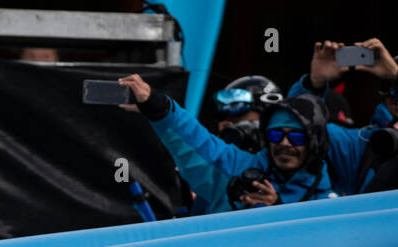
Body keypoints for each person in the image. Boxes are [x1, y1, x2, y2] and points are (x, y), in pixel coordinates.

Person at [120, 74, 334, 211]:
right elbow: (198, 144)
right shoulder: (236, 168)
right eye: (276, 135)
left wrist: (277, 212)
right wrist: (158, 108)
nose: (285, 143)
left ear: (314, 142)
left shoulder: (331, 197)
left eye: (296, 137)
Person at [290, 41, 398, 194]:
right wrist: (314, 84)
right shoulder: (361, 144)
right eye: (388, 86)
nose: (397, 96)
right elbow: (293, 131)